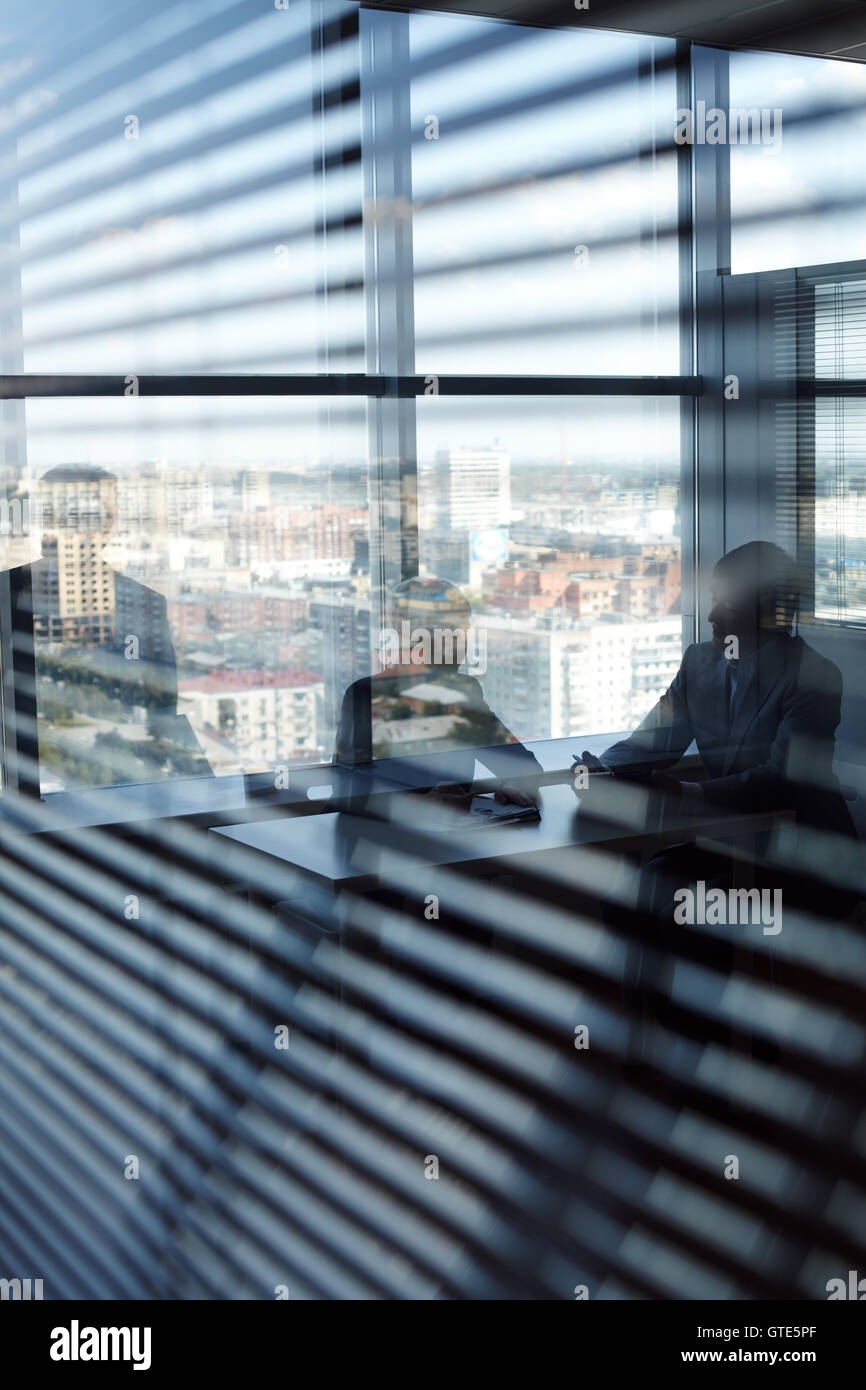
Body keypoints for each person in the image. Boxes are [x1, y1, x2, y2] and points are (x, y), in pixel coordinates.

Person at [334, 575, 541, 811]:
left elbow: (526, 768)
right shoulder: (366, 695)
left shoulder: (463, 691)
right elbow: (347, 792)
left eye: (462, 632)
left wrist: (510, 785)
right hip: (386, 839)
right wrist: (420, 805)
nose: (461, 643)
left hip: (452, 838)